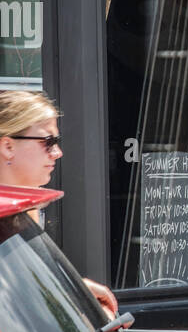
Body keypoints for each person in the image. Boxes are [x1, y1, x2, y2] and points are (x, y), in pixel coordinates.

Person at [0, 89, 118, 319]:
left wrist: (74, 292)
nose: (57, 153)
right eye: (48, 142)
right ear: (8, 147)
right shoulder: (11, 210)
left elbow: (26, 290)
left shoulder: (24, 207)